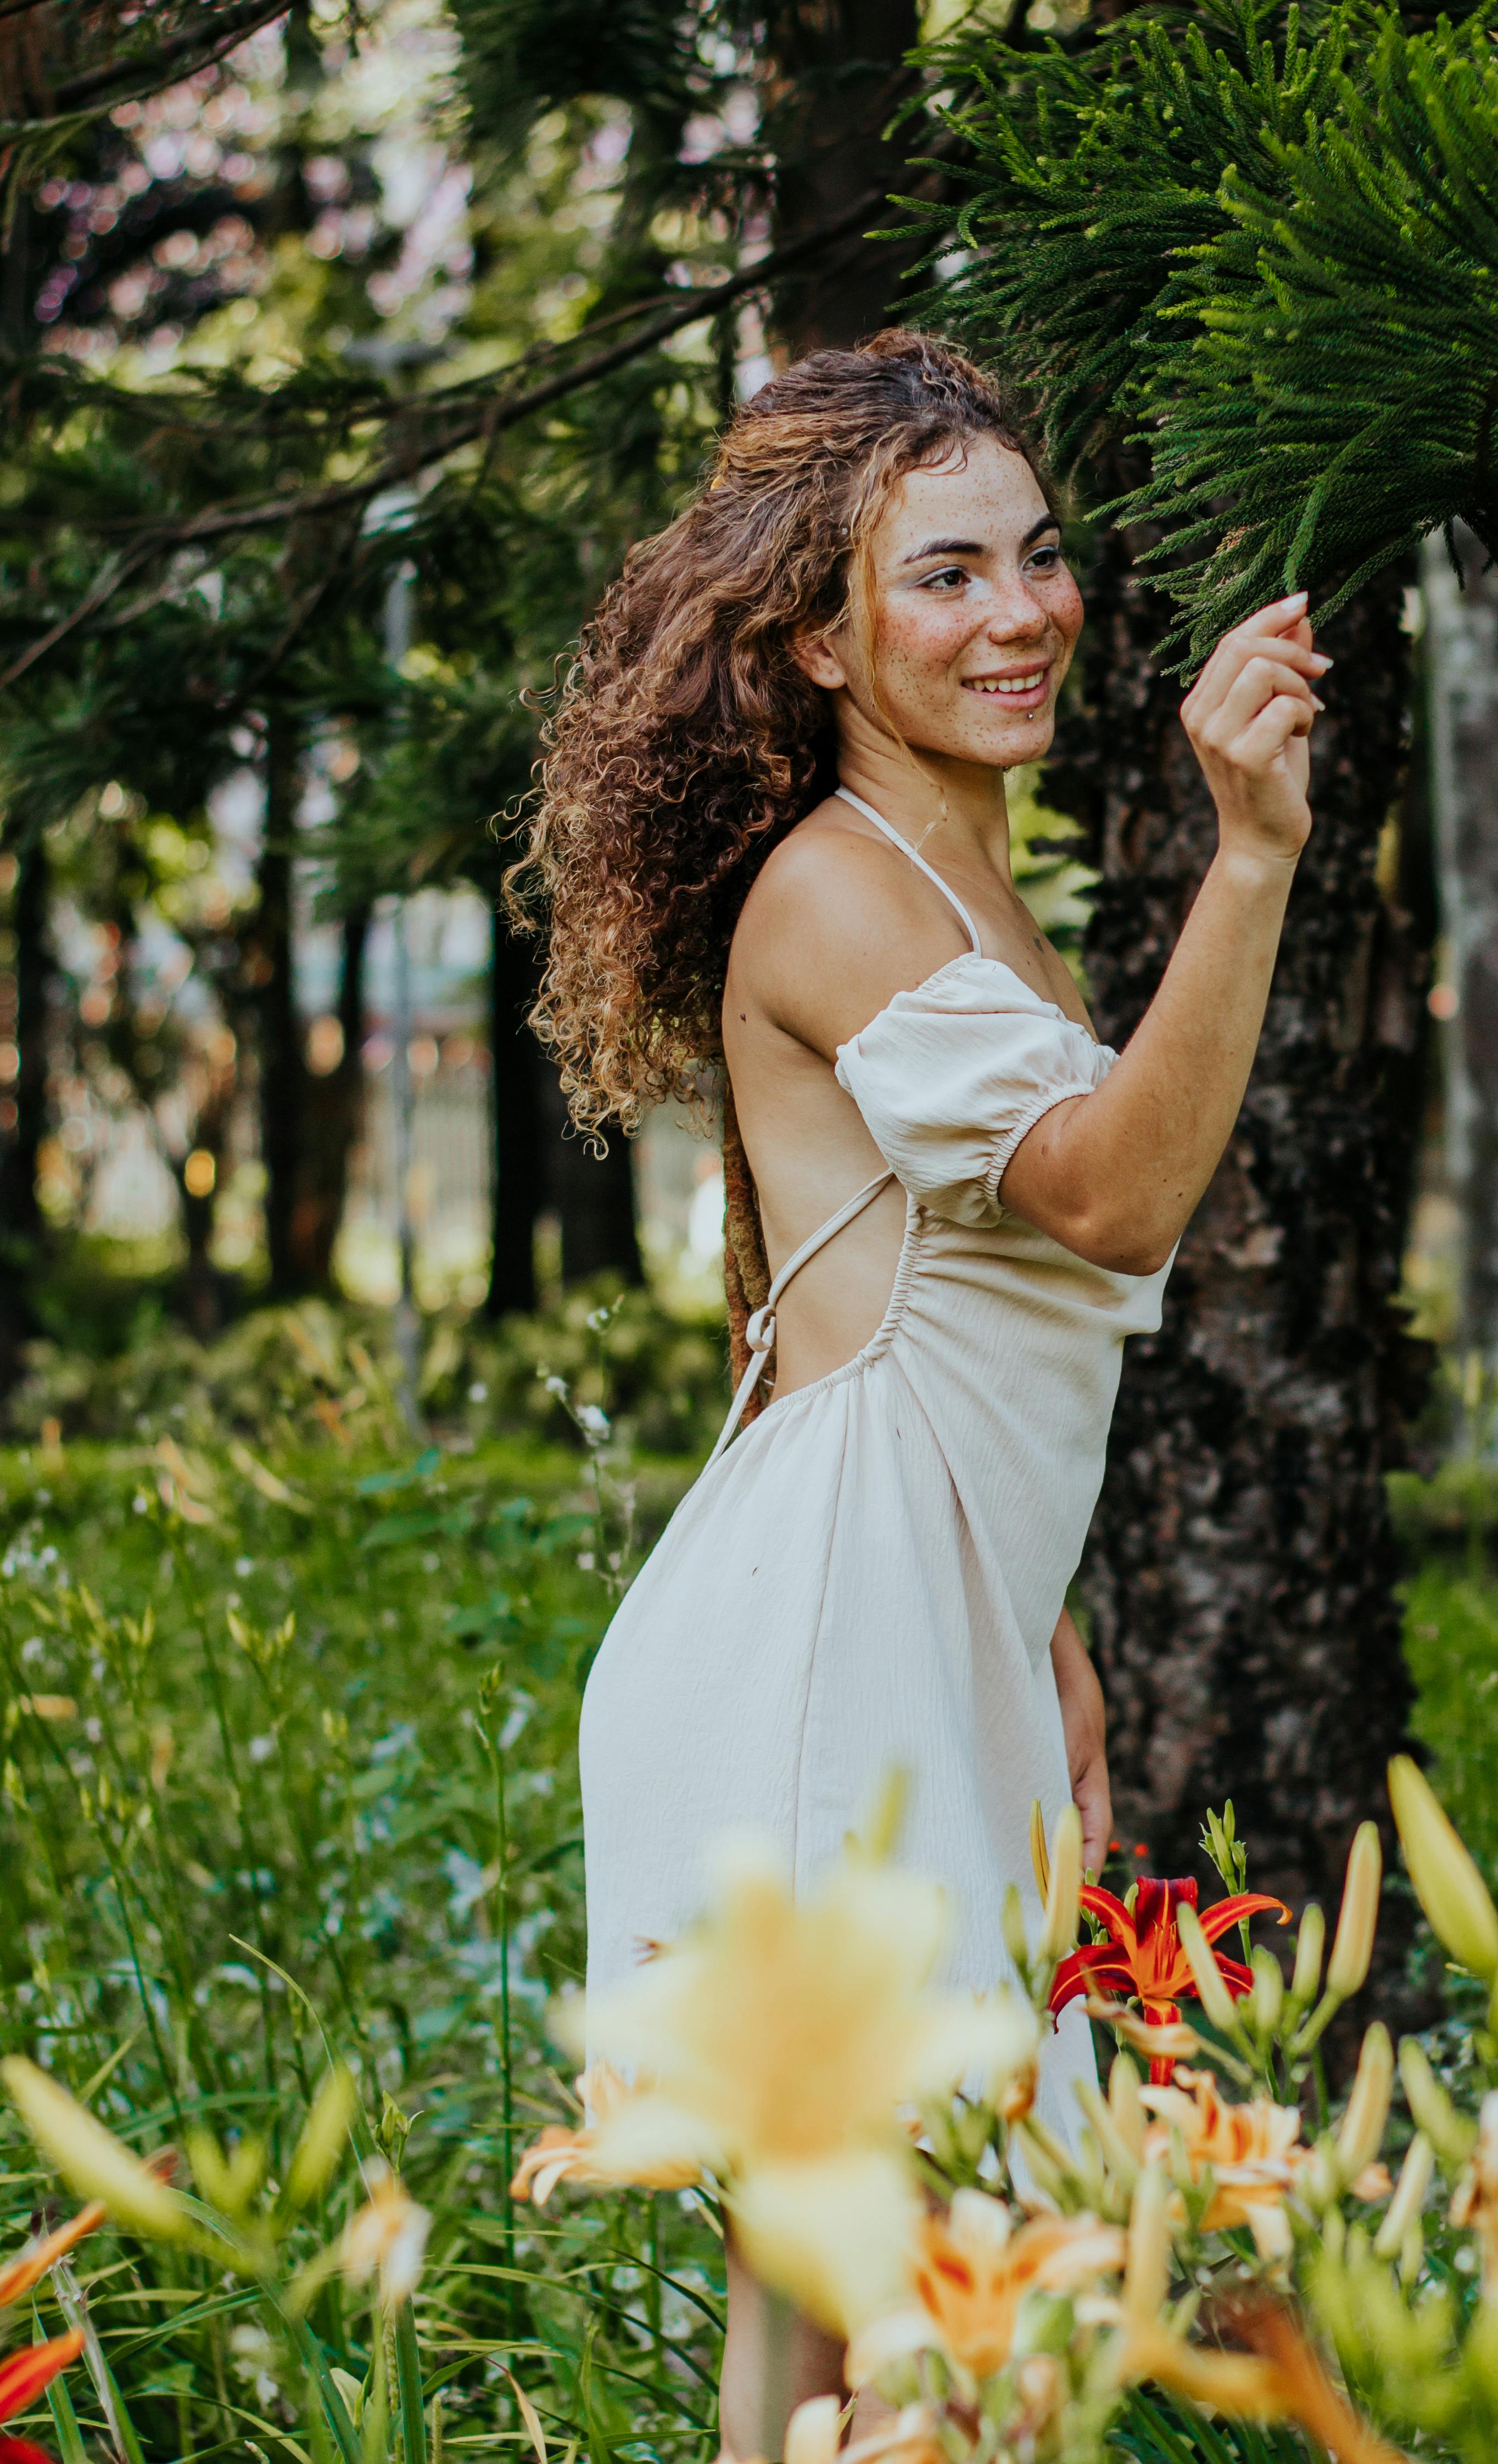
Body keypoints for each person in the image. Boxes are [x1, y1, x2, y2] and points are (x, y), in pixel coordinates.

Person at [519, 329, 1324, 2453]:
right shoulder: (841, 892)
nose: (1025, 614)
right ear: (811, 638)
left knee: (853, 2344)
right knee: (947, 2327)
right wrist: (1249, 858)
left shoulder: (969, 889)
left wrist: (1033, 1627)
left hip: (912, 1628)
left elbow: (873, 1319)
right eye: (947, 576)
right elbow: (1109, 1202)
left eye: (1038, 560)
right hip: (823, 1663)